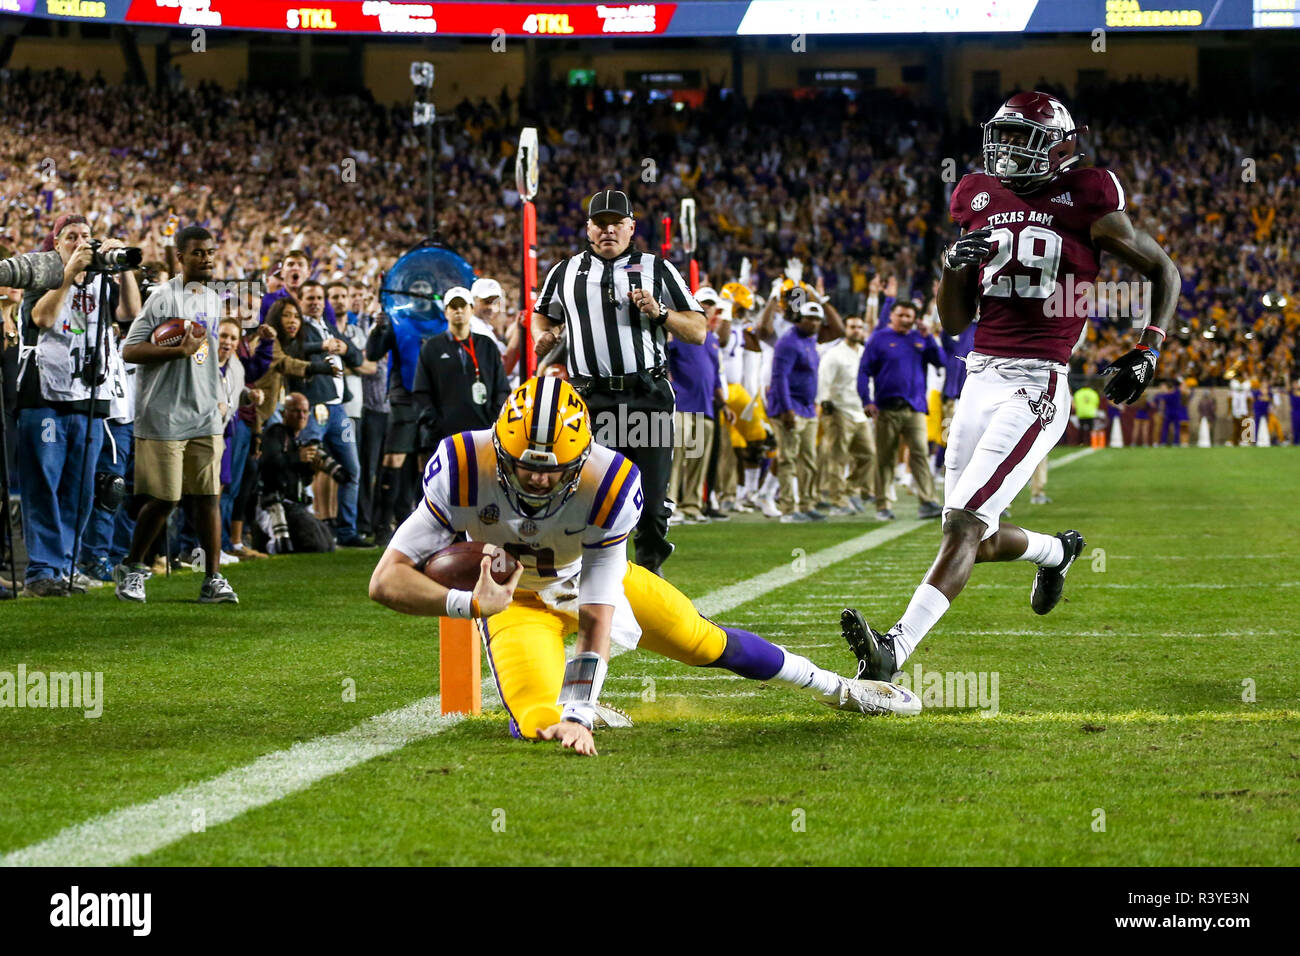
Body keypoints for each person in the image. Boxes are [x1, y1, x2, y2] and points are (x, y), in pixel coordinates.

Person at [369, 376, 919, 757]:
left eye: (552, 470)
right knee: (538, 723)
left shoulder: (607, 484)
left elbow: (597, 618)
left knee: (705, 641)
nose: (538, 481)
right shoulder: (464, 467)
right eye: (524, 468)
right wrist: (471, 603)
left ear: (582, 457)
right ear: (499, 452)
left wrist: (581, 710)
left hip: (582, 578)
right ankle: (565, 705)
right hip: (515, 604)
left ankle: (843, 689)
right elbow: (386, 579)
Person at [843, 90, 1179, 681]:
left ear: (1059, 146)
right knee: (976, 533)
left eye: (1024, 138)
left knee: (965, 525)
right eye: (1004, 136)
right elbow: (954, 322)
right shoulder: (974, 194)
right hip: (979, 374)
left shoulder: (1088, 195)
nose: (1007, 150)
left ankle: (893, 651)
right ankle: (1057, 551)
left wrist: (1149, 348)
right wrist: (952, 268)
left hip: (1037, 383)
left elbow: (1163, 270)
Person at [531, 189, 705, 576]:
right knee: (592, 494)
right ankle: (593, 578)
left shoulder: (658, 268)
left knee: (653, 499)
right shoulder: (565, 271)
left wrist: (660, 313)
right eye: (600, 223)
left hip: (647, 395)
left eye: (616, 223)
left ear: (631, 228)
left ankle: (649, 576)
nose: (608, 230)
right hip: (591, 401)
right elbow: (540, 315)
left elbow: (698, 331)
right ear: (588, 228)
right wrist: (540, 336)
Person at [16, 213, 141, 597]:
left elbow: (131, 314)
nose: (81, 242)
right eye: (71, 237)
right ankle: (42, 569)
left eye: (86, 236)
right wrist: (69, 273)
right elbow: (43, 317)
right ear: (57, 244)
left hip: (90, 396)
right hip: (46, 394)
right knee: (45, 485)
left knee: (81, 488)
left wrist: (123, 267)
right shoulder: (44, 274)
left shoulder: (102, 282)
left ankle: (65, 568)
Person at [117, 225, 238, 604]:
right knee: (166, 499)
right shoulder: (162, 300)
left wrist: (219, 393)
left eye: (211, 251)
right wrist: (175, 352)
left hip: (204, 410)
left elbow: (206, 352)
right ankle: (133, 568)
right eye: (199, 253)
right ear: (181, 258)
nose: (207, 258)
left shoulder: (214, 299)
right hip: (164, 413)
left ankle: (213, 579)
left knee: (208, 497)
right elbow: (129, 350)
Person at [291, 279, 368, 547]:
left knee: (352, 470)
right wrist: (322, 347)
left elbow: (358, 358)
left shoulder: (330, 328)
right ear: (300, 301)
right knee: (304, 467)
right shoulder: (297, 328)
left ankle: (347, 532)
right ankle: (305, 528)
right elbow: (291, 350)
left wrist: (345, 348)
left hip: (338, 410)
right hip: (312, 407)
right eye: (309, 298)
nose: (315, 303)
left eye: (318, 298)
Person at [859, 299, 946, 521]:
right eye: (901, 315)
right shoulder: (878, 339)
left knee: (920, 455)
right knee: (885, 458)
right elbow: (863, 371)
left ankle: (927, 501)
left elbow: (940, 361)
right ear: (892, 316)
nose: (905, 319)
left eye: (909, 316)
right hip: (886, 409)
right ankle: (882, 506)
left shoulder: (920, 338)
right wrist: (866, 400)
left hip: (914, 407)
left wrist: (929, 338)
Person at [412, 286, 510, 464]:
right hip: (443, 438)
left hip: (482, 435)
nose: (458, 310)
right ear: (446, 312)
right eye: (453, 306)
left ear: (471, 310)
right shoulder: (431, 347)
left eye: (463, 306)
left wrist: (492, 421)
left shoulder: (487, 345)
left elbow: (502, 388)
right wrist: (436, 424)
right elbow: (421, 391)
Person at [666, 287, 730, 525]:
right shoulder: (680, 332)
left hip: (706, 406)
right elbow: (664, 357)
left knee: (697, 459)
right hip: (681, 403)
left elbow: (714, 375)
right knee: (675, 457)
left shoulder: (712, 339)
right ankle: (670, 504)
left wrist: (724, 402)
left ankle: (692, 506)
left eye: (710, 304)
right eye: (702, 302)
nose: (706, 307)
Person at [258, 393, 344, 553]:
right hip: (274, 503)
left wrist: (311, 469)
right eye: (296, 411)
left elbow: (299, 478)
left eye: (305, 412)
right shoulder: (276, 433)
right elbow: (268, 464)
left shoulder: (298, 439)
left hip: (294, 503)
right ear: (284, 413)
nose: (301, 416)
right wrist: (298, 457)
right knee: (314, 544)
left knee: (327, 543)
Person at [767, 300, 827, 523]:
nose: (813, 323)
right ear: (799, 319)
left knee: (809, 459)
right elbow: (779, 377)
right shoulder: (788, 342)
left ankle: (807, 504)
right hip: (790, 407)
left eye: (817, 319)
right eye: (809, 318)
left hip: (808, 408)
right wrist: (786, 409)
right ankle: (788, 510)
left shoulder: (810, 341)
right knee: (788, 459)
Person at [816, 314, 876, 515]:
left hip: (859, 411)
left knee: (869, 455)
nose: (856, 330)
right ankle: (837, 500)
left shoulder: (865, 352)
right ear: (845, 329)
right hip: (839, 410)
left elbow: (869, 380)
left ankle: (850, 490)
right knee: (838, 457)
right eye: (852, 327)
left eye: (859, 327)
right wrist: (825, 402)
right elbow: (824, 380)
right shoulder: (834, 354)